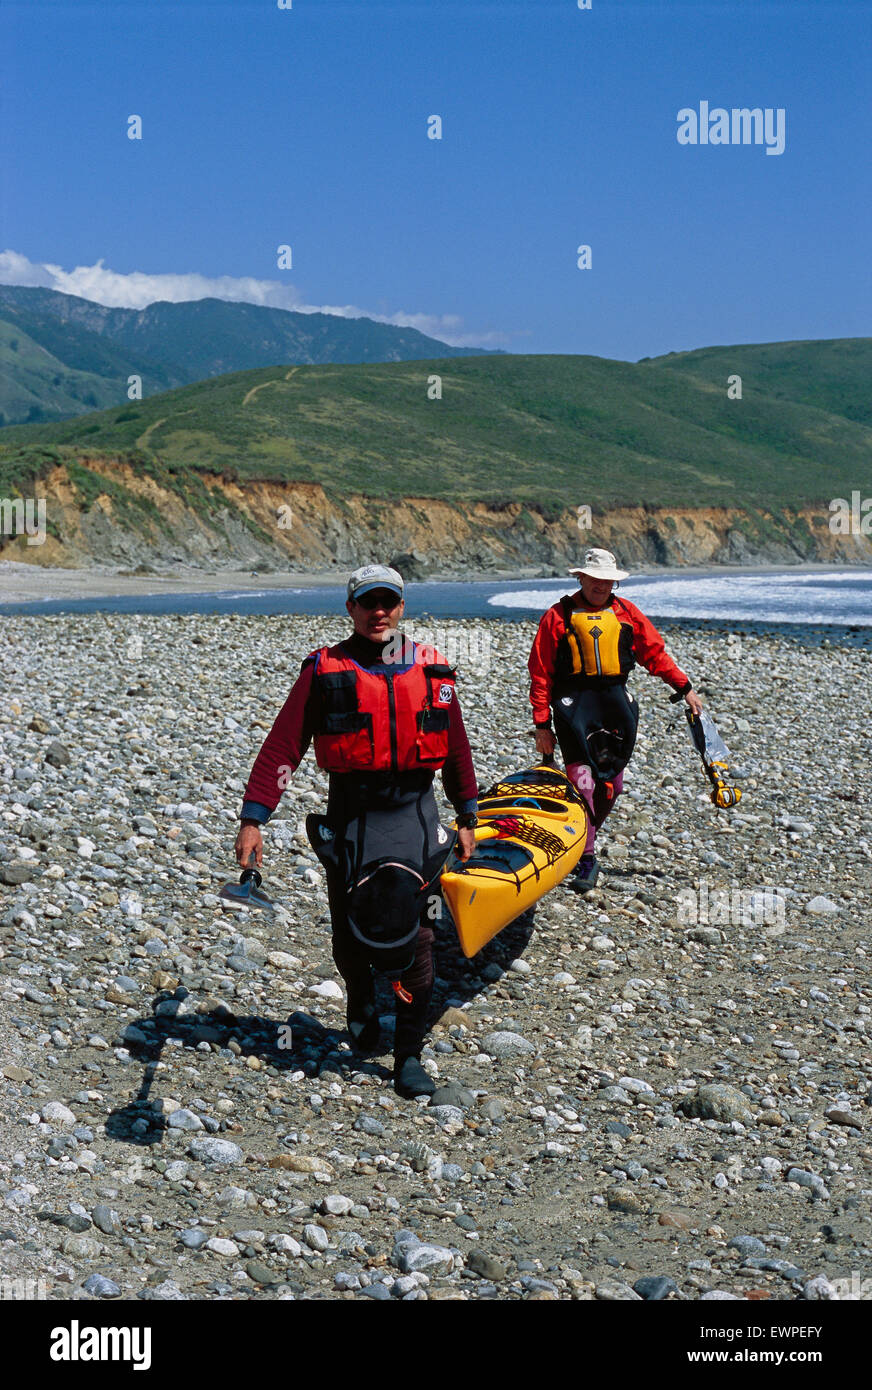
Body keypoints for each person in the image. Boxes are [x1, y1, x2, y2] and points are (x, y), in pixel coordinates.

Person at [234, 564, 478, 1098]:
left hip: (417, 821)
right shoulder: (324, 672)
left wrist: (466, 813)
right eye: (368, 602)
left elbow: (455, 746)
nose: (379, 612)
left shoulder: (433, 670)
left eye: (389, 601)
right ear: (351, 609)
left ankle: (408, 1055)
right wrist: (255, 818)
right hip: (350, 823)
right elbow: (283, 746)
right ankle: (360, 995)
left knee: (419, 940)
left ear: (402, 607)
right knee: (348, 933)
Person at [528, 548, 702, 889]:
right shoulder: (557, 616)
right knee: (582, 781)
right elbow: (541, 673)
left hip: (613, 704)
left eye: (608, 581)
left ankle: (581, 837)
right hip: (572, 704)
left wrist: (685, 688)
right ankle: (587, 858)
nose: (601, 586)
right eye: (595, 579)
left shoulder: (626, 613)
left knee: (612, 785)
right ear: (582, 577)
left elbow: (655, 654)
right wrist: (541, 725)